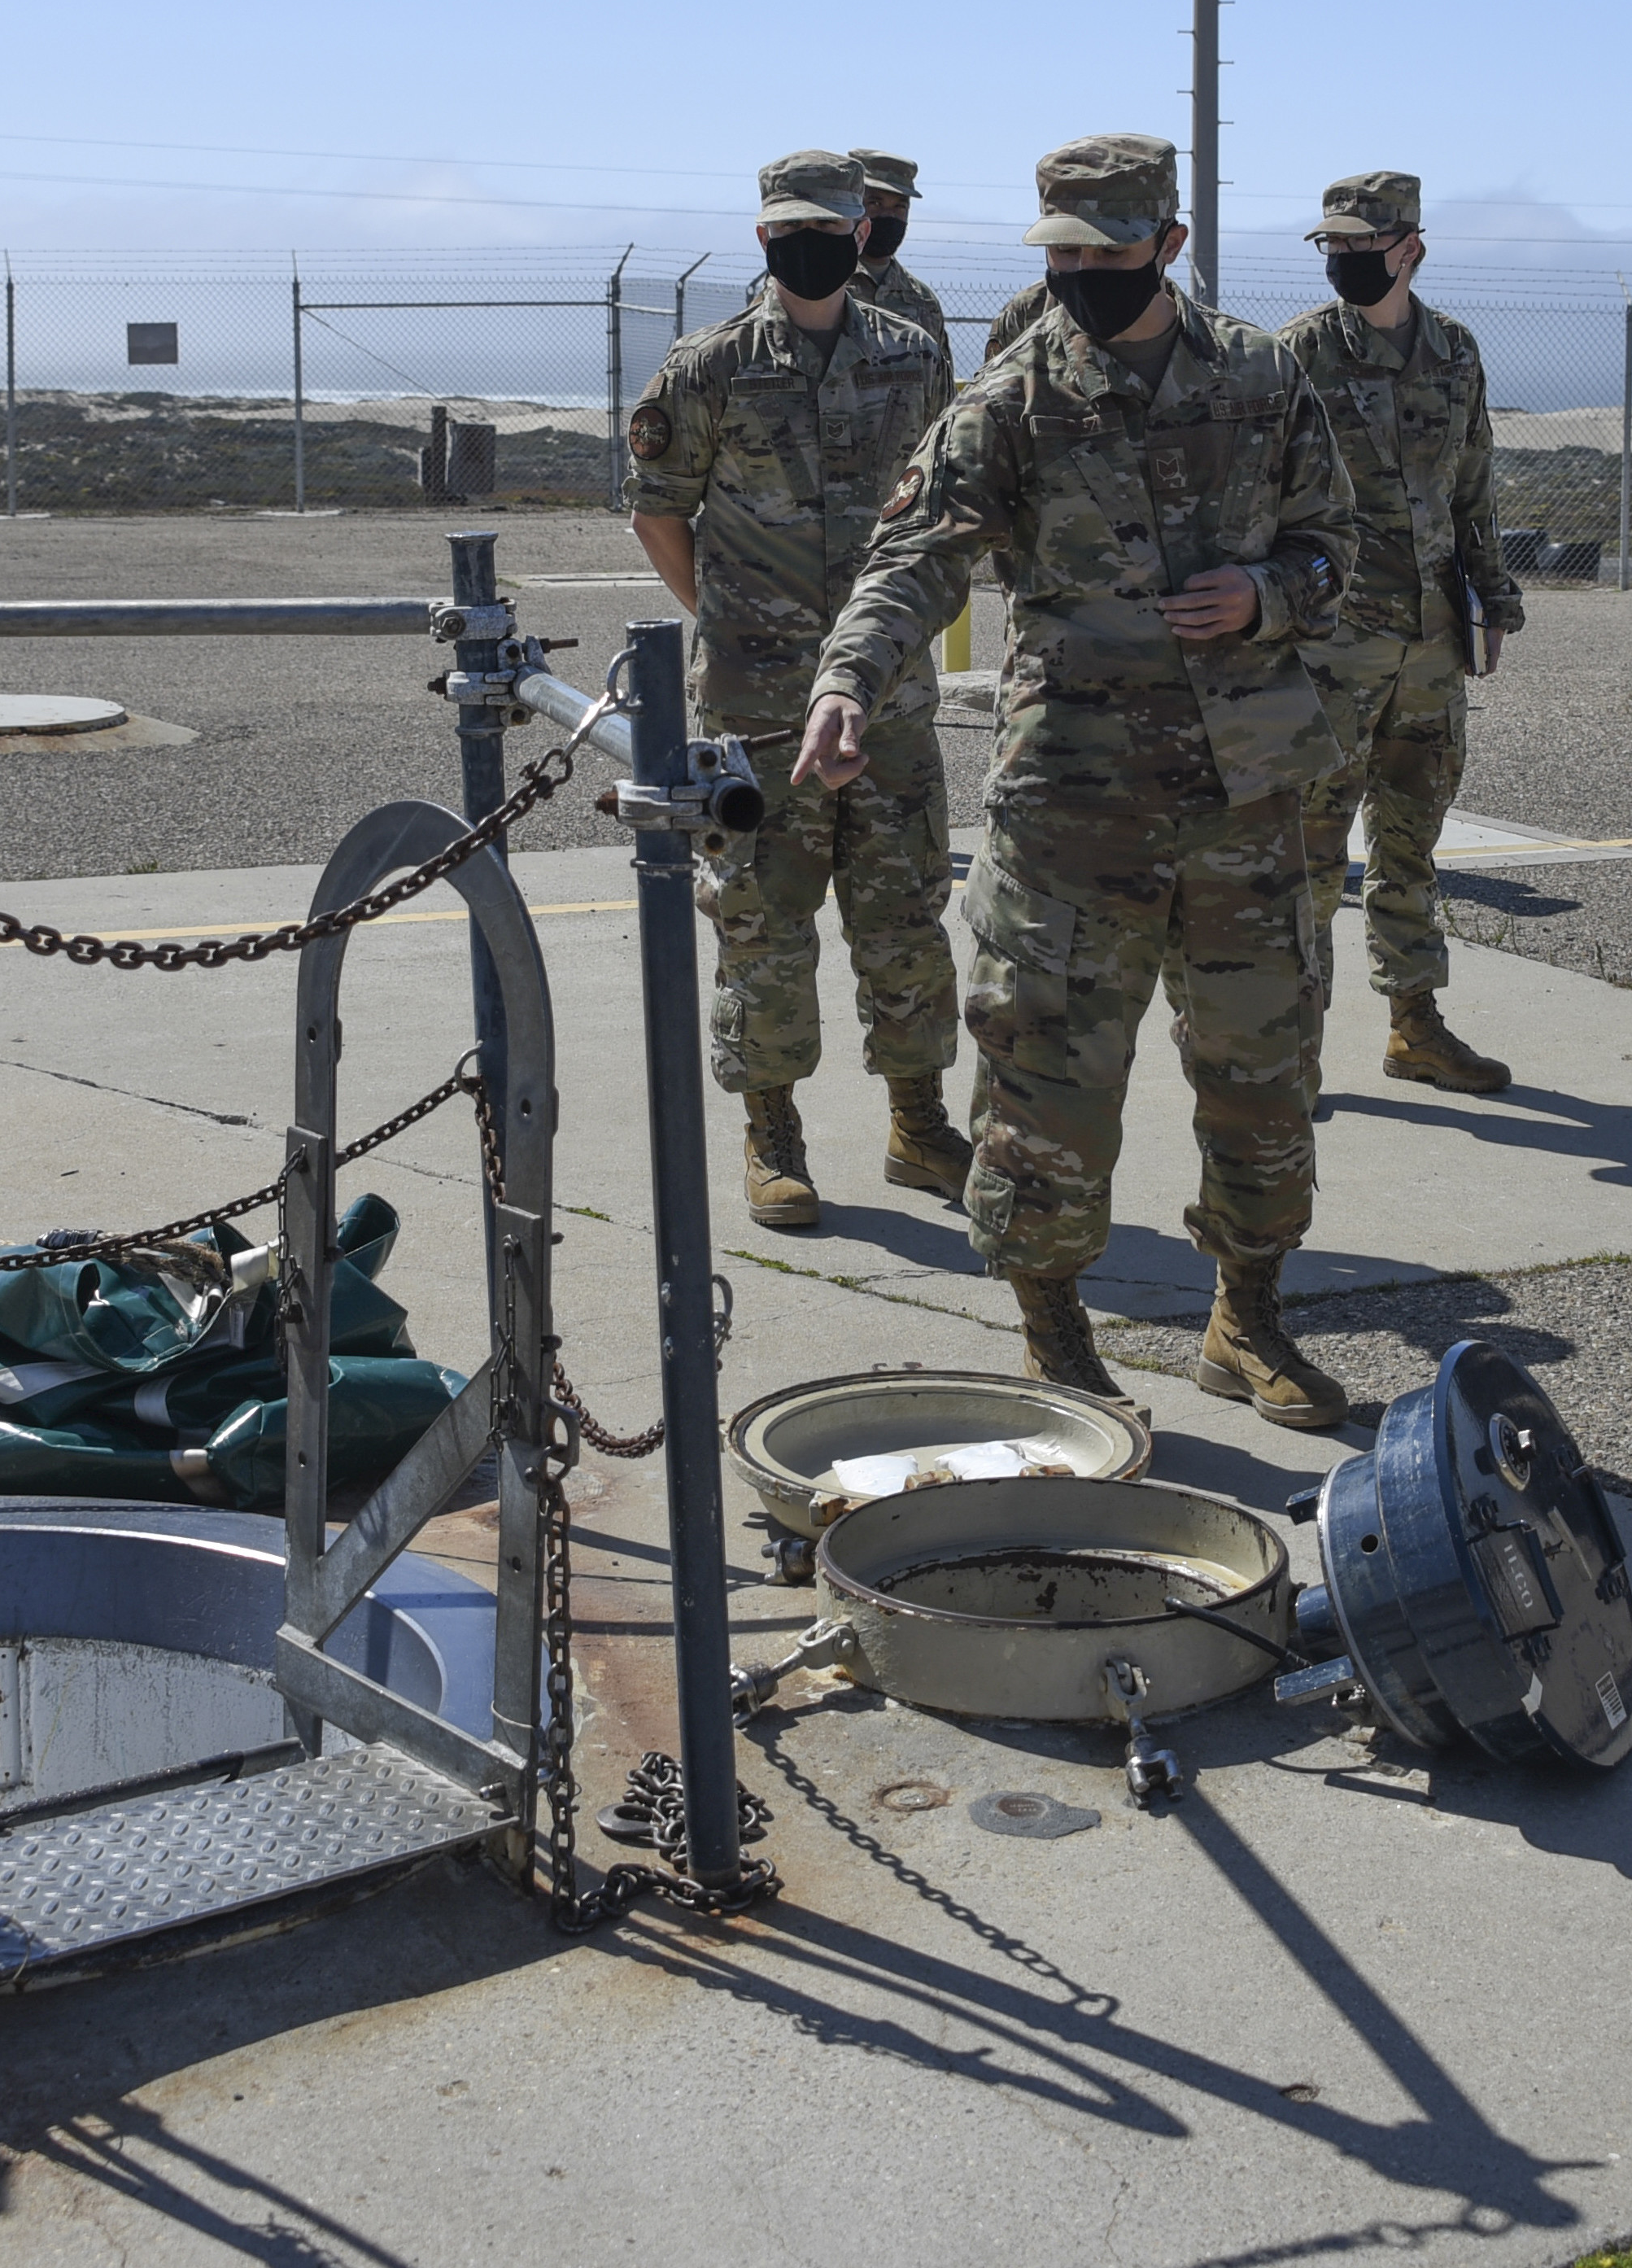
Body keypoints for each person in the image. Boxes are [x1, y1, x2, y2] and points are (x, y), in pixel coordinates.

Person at [798, 133, 1359, 1430]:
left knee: (1264, 1082)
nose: (1082, 280)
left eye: (1109, 256)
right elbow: (911, 562)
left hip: (1244, 806)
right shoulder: (1011, 400)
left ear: (1168, 248)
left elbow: (1341, 551)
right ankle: (1057, 1343)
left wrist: (1270, 592)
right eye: (1062, 258)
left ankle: (1248, 1317)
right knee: (1044, 1089)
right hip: (1071, 811)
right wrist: (847, 679)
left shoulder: (1265, 380)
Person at [626, 150, 972, 1231]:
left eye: (832, 226)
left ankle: (920, 1127)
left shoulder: (913, 358)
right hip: (758, 706)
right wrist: (730, 624)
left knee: (906, 915)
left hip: (891, 702)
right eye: (790, 229)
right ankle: (772, 1135)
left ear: (860, 232)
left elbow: (943, 507)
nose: (811, 244)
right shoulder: (708, 367)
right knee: (761, 923)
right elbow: (658, 512)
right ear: (766, 238)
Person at [1269, 171, 1525, 1096]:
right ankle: (1285, 1049)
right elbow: (1259, 497)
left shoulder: (1452, 351)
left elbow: (1473, 484)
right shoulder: (1294, 354)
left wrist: (1492, 598)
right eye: (1330, 248)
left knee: (1410, 844)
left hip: (1428, 646)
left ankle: (1414, 1027)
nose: (1342, 262)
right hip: (1329, 645)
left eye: (1359, 247)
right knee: (1305, 852)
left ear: (1409, 248)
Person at [742, 151, 955, 373]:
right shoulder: (806, 277)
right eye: (875, 203)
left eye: (899, 207)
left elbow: (941, 385)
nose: (888, 216)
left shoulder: (921, 299)